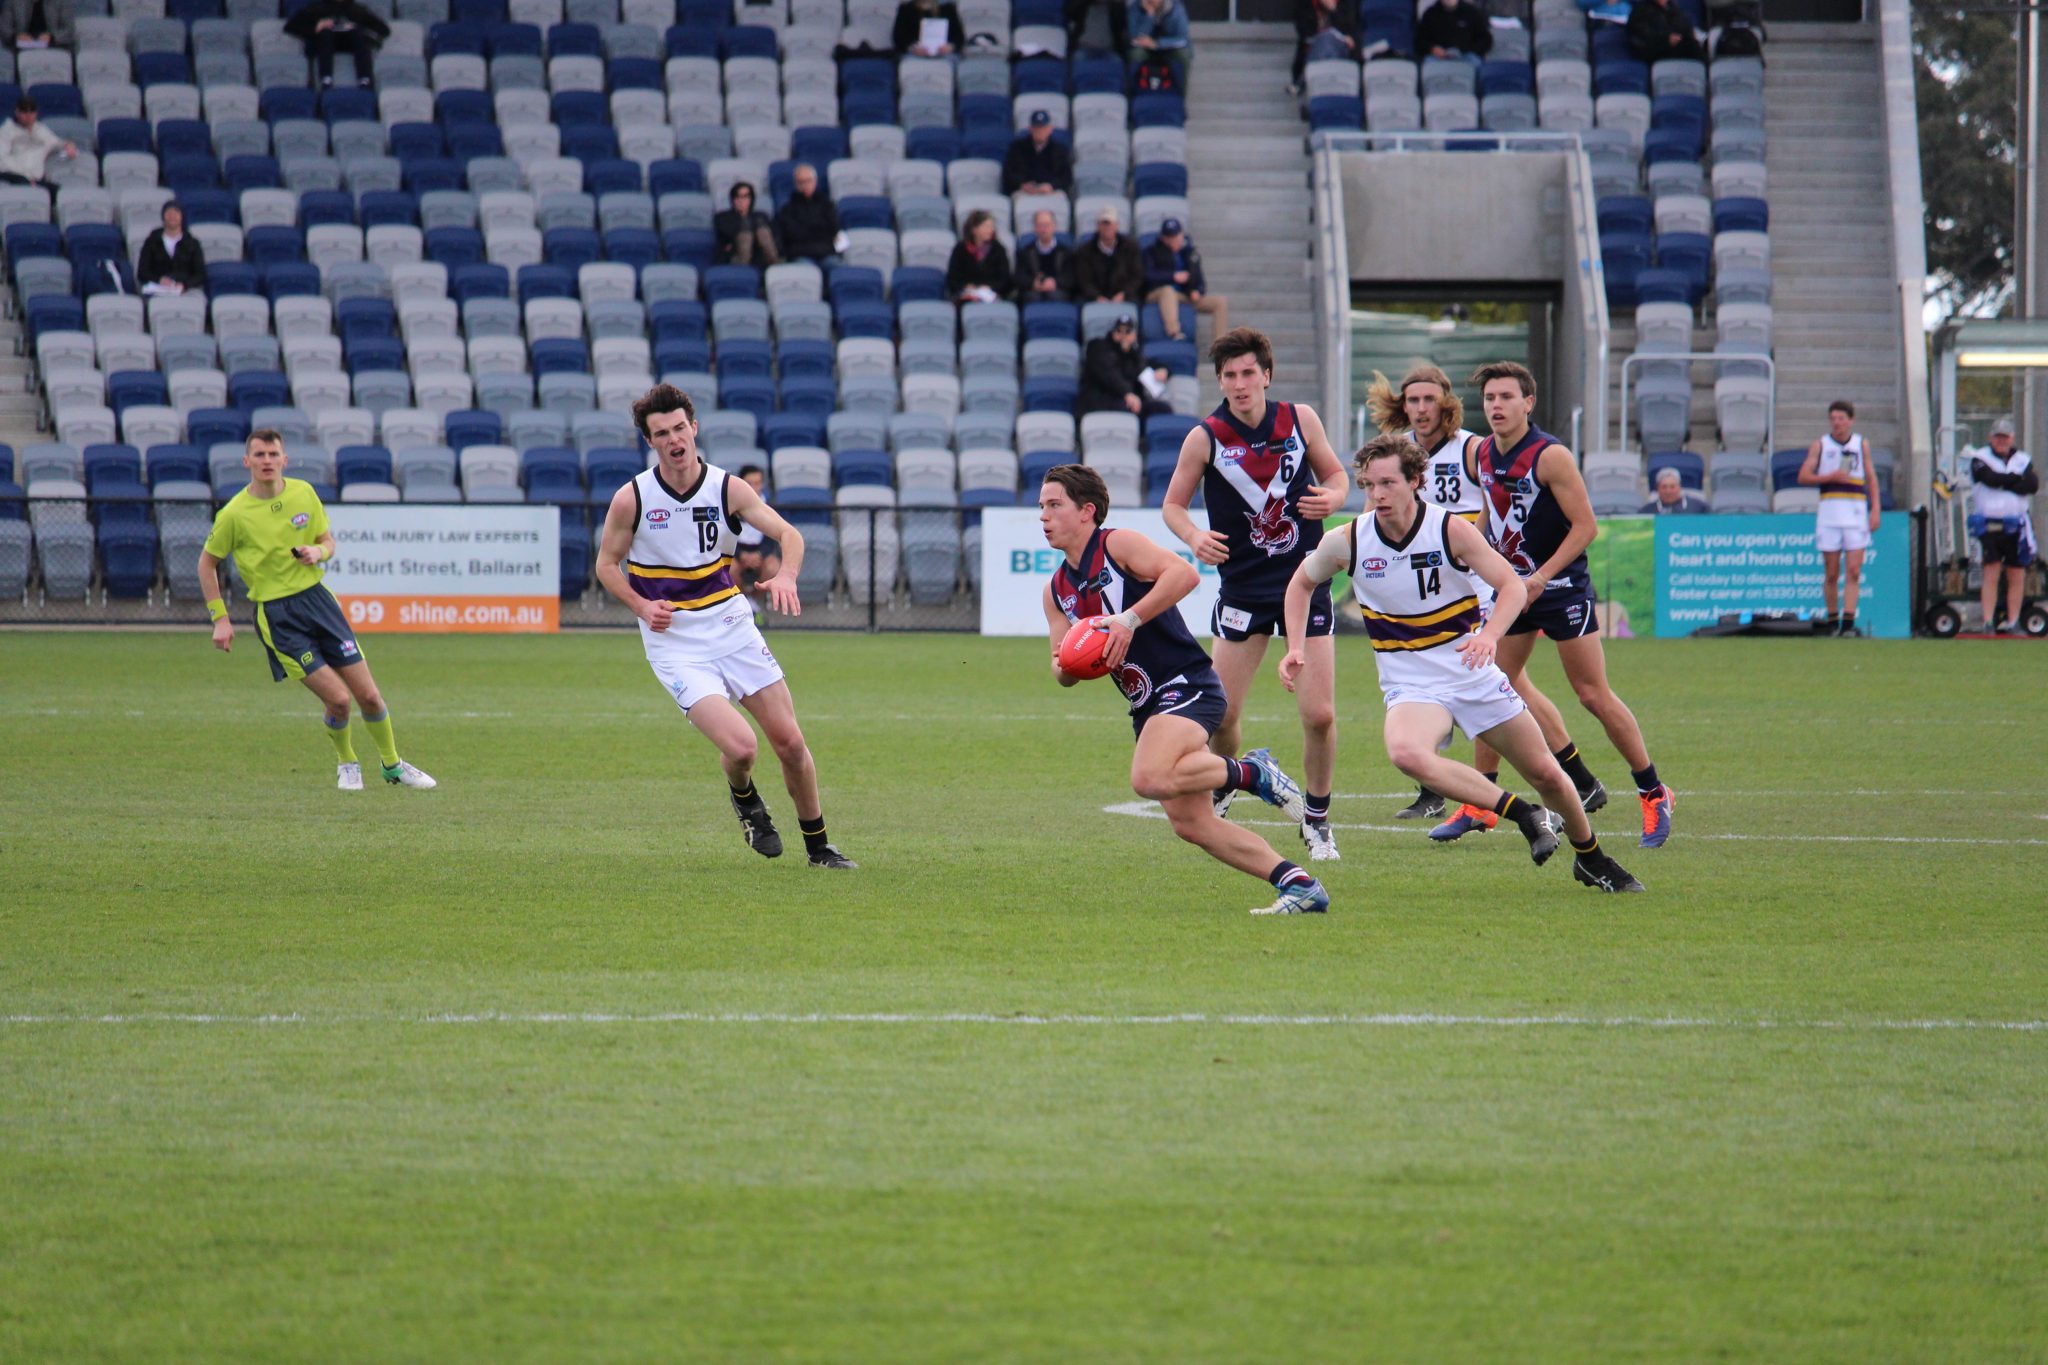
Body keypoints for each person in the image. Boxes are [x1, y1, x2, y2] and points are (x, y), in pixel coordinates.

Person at [1279, 434, 1643, 892]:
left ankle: (1591, 858)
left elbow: (1511, 586)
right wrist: (1296, 647)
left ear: (1415, 481)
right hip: (1411, 682)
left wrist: (1490, 636)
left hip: (1470, 671)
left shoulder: (1450, 529)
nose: (1378, 495)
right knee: (1406, 752)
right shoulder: (1349, 540)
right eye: (1369, 485)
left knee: (1548, 774)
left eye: (1388, 483)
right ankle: (1522, 813)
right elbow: (1299, 585)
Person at [1040, 463, 1329, 915]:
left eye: (1054, 505)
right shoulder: (1056, 590)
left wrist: (1127, 619)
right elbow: (1063, 672)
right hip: (1147, 705)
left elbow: (1184, 575)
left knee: (1148, 778)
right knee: (1192, 823)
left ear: (1086, 512)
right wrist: (1071, 661)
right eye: (1041, 507)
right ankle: (1299, 885)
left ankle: (1252, 773)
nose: (1044, 515)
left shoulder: (1117, 545)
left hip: (1187, 684)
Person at [594, 384, 856, 869]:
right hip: (675, 643)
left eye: (679, 428)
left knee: (791, 743)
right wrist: (640, 605)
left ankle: (820, 848)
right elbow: (607, 565)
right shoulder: (631, 498)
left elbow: (788, 534)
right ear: (649, 442)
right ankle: (745, 799)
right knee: (741, 747)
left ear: (693, 427)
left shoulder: (727, 488)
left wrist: (787, 574)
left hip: (732, 626)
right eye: (661, 434)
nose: (674, 440)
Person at [1363, 363, 1602, 828]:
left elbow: (1501, 503)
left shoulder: (1473, 450)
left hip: (1474, 590)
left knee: (1482, 683)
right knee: (1497, 684)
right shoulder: (1399, 456)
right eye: (1412, 400)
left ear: (1447, 404)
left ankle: (1488, 795)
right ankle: (1574, 779)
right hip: (1427, 590)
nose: (1420, 409)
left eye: (1429, 399)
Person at [1459, 361, 1675, 849]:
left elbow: (1586, 527)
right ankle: (1482, 800)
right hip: (1514, 591)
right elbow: (1490, 519)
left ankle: (1653, 792)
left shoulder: (1550, 455)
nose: (1495, 406)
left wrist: (1540, 577)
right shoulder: (1482, 455)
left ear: (1528, 403)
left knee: (1592, 694)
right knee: (1489, 682)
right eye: (1490, 398)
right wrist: (1467, 556)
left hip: (1560, 590)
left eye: (1506, 397)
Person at [1161, 327, 1348, 861]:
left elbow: (1336, 475)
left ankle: (1316, 820)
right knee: (1220, 717)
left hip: (1305, 584)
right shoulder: (1206, 436)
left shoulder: (1299, 419)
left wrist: (1330, 495)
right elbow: (1173, 505)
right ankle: (1226, 782)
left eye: (1248, 373)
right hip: (1242, 588)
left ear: (1266, 375)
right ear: (1219, 382)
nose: (1240, 384)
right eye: (1229, 376)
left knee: (1320, 715)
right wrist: (1194, 536)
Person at [196, 429, 436, 792]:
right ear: (247, 462)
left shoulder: (303, 493)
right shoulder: (234, 514)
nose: (266, 461)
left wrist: (318, 553)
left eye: (272, 454)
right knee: (339, 701)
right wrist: (220, 619)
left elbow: (327, 541)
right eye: (259, 455)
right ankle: (347, 762)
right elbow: (206, 563)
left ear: (284, 460)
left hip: (320, 603)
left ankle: (392, 765)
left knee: (369, 696)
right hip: (279, 617)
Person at [1795, 399, 1882, 637]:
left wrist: (1875, 509)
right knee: (1831, 572)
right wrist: (1829, 476)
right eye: (1833, 419)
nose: (1837, 423)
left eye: (1841, 419)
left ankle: (1848, 623)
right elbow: (1803, 475)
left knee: (1854, 570)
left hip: (1855, 514)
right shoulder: (1821, 445)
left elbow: (1871, 478)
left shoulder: (1861, 444)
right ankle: (1832, 620)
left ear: (1850, 420)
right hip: (1830, 514)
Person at [1969, 417, 2039, 634]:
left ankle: (2013, 620)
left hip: (2015, 523)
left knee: (2016, 573)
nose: (2001, 441)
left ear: (2012, 438)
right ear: (1991, 437)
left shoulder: (2022, 459)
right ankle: (1988, 620)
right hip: (1989, 522)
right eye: (1998, 436)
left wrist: (2005, 480)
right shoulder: (1979, 458)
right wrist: (2014, 480)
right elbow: (1988, 478)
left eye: (2005, 437)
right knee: (1991, 570)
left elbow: (2032, 485)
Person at [1140, 217, 1226, 344]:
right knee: (1168, 290)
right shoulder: (1152, 251)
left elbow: (1199, 277)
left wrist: (1198, 291)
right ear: (1163, 238)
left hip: (1185, 294)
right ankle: (1174, 332)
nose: (1174, 239)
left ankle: (1221, 347)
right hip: (1158, 292)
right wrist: (1172, 276)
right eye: (1170, 237)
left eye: (1176, 236)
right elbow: (1148, 275)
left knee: (1220, 302)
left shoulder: (1189, 252)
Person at [1080, 311, 1172, 418]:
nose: (1123, 335)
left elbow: (1149, 365)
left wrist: (1164, 370)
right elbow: (1109, 373)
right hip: (1101, 400)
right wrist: (1127, 393)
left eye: (1128, 331)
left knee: (1162, 408)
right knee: (1126, 408)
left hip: (1129, 402)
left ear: (1134, 335)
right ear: (1113, 332)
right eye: (1119, 330)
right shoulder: (1098, 346)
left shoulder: (1134, 355)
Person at [282, 0, 390, 89]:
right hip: (323, 43)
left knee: (358, 35)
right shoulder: (316, 8)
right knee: (326, 33)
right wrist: (316, 27)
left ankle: (365, 79)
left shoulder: (356, 9)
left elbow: (383, 29)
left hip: (350, 43)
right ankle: (326, 79)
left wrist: (357, 26)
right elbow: (290, 27)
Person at [732, 463, 784, 622]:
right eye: (750, 483)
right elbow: (725, 535)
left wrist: (759, 554)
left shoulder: (769, 506)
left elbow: (773, 536)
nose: (754, 487)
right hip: (736, 552)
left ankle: (752, 601)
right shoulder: (731, 505)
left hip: (761, 552)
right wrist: (742, 555)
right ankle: (739, 604)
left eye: (757, 483)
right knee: (729, 569)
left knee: (773, 567)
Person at [0, 95, 74, 197]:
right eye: (24, 111)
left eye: (32, 111)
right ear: (17, 112)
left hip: (36, 180)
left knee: (62, 194)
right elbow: (2, 160)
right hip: (14, 177)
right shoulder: (7, 131)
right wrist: (25, 176)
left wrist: (68, 145)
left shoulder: (41, 130)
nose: (28, 115)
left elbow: (57, 143)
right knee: (26, 188)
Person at [1070, 205, 1144, 304]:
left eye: (1109, 223)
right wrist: (1096, 296)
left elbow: (1137, 276)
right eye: (1104, 224)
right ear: (1098, 225)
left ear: (1117, 225)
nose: (1107, 227)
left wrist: (1124, 294)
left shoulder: (1131, 248)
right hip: (1094, 297)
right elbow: (1083, 279)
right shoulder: (1085, 250)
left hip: (1124, 295)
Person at [772, 162, 840, 266]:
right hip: (800, 254)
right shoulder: (788, 209)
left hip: (826, 252)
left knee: (835, 266)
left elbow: (834, 229)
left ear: (815, 181)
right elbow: (791, 234)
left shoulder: (827, 205)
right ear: (796, 184)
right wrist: (818, 229)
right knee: (805, 268)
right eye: (801, 182)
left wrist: (809, 230)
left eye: (808, 181)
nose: (805, 185)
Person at [136, 200, 206, 296]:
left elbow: (200, 275)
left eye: (176, 212)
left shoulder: (193, 243)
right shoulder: (151, 241)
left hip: (185, 290)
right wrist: (159, 280)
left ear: (182, 216)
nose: (172, 216)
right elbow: (142, 272)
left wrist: (184, 285)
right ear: (163, 216)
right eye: (169, 212)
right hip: (158, 290)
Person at [943, 208, 1013, 303]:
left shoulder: (998, 249)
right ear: (974, 229)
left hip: (992, 294)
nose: (990, 230)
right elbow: (953, 278)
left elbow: (1004, 279)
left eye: (991, 227)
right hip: (967, 295)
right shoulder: (960, 250)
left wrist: (989, 287)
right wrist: (966, 287)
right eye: (986, 226)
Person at [1290, 0, 1358, 95]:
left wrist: (1334, 9)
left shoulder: (1348, 4)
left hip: (1343, 46)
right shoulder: (1306, 4)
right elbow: (1304, 31)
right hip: (1314, 46)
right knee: (1325, 43)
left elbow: (1350, 26)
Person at [1000, 109, 1073, 197]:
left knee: (1059, 197)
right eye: (1037, 128)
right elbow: (1008, 173)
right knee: (1019, 197)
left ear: (1050, 129)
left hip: (1051, 191)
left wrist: (1051, 186)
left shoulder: (1059, 150)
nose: (1040, 132)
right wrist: (1022, 184)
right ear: (1030, 129)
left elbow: (1066, 177)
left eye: (1043, 128)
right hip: (1025, 192)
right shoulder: (1018, 148)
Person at [713, 181, 781, 268]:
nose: (741, 200)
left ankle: (775, 264)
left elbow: (773, 237)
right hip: (735, 256)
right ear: (732, 199)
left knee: (762, 231)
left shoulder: (761, 216)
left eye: (745, 197)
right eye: (737, 197)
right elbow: (727, 236)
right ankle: (743, 268)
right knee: (745, 235)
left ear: (751, 199)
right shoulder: (722, 217)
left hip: (760, 257)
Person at [1126, 0, 1190, 89]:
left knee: (1183, 55)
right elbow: (1135, 36)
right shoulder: (1135, 7)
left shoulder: (1175, 8)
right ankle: (1134, 93)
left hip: (1168, 47)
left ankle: (1180, 92)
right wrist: (1149, 15)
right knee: (1135, 53)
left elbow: (1183, 38)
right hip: (1145, 48)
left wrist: (1157, 44)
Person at [1013, 208, 1073, 302]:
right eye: (1040, 225)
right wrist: (1033, 283)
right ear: (1034, 228)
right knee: (1032, 297)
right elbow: (1019, 276)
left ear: (1054, 226)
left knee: (1055, 296)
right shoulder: (1025, 251)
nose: (1044, 229)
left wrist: (1055, 283)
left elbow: (1071, 277)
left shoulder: (1065, 251)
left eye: (1047, 225)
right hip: (1032, 292)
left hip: (1058, 291)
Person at [1626, 0, 1704, 65]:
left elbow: (1685, 26)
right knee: (1692, 48)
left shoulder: (1672, 7)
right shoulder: (1641, 11)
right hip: (1655, 52)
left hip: (1679, 46)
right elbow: (1641, 39)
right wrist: (1666, 40)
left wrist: (1685, 36)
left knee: (1694, 45)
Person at [1415, 0, 1491, 63]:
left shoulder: (1471, 13)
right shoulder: (1430, 14)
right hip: (1437, 58)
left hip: (1466, 57)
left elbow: (1486, 40)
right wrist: (1432, 48)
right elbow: (1420, 40)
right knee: (1427, 62)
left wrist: (1467, 50)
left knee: (1474, 61)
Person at [893, 0, 962, 57]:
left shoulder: (948, 8)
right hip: (914, 55)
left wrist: (950, 47)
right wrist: (913, 48)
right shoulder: (906, 9)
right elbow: (899, 37)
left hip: (944, 54)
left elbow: (959, 36)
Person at [1, 0, 75, 49]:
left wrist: (52, 37)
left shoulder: (62, 1)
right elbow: (4, 28)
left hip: (55, 48)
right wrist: (16, 36)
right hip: (20, 49)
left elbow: (69, 30)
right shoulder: (12, 2)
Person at [1639, 467, 1709, 515]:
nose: (1668, 491)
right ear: (1658, 489)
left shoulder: (1699, 508)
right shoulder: (1646, 512)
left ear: (1679, 487)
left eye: (1672, 487)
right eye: (1664, 487)